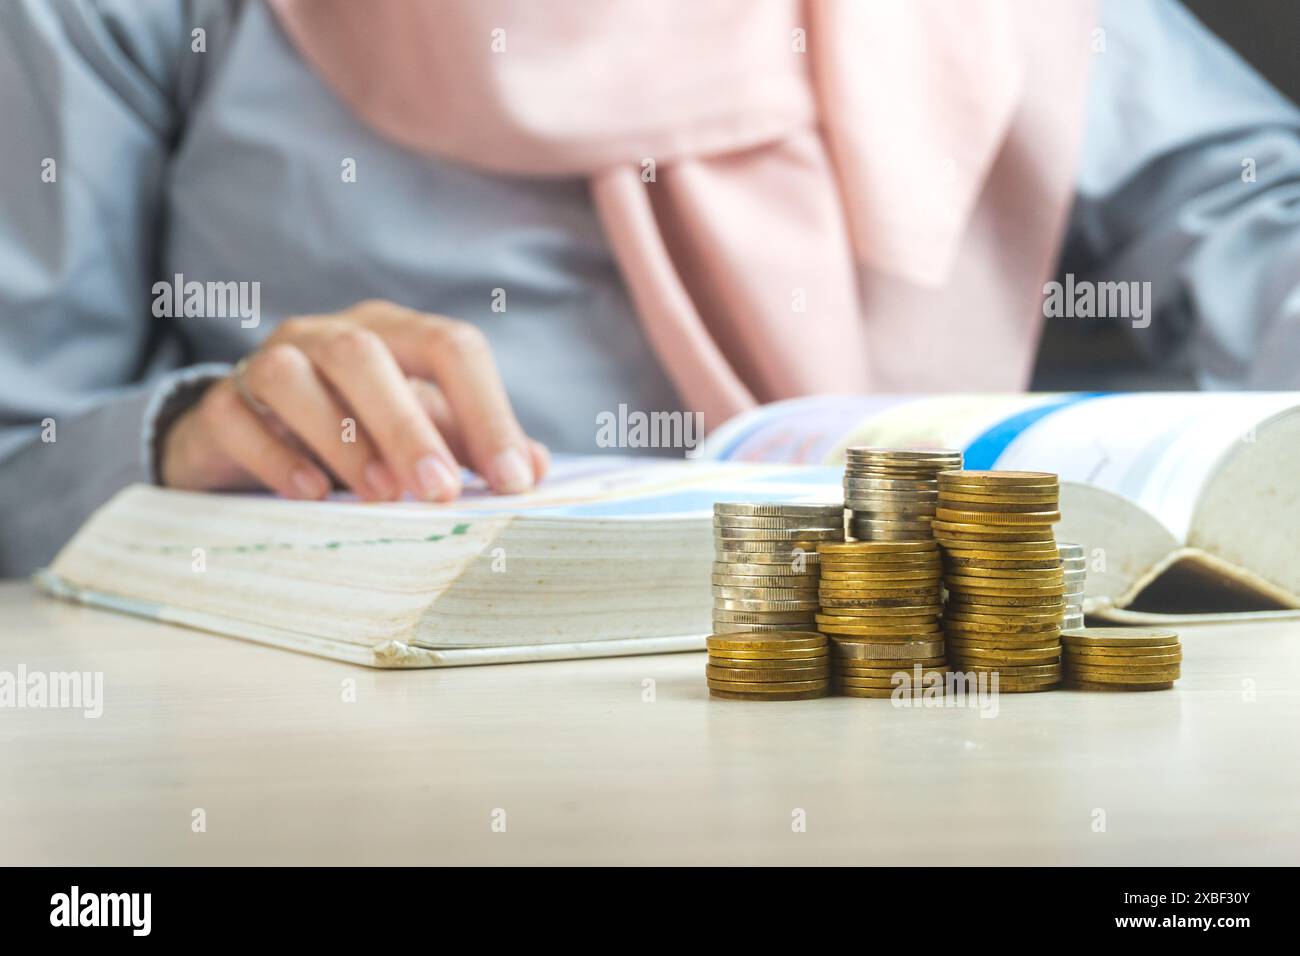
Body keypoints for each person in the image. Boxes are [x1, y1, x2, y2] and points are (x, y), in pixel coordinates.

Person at [1, 0, 1298, 576]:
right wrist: (188, 432)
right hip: (339, 747)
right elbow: (19, 452)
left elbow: (1257, 222)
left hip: (929, 707)